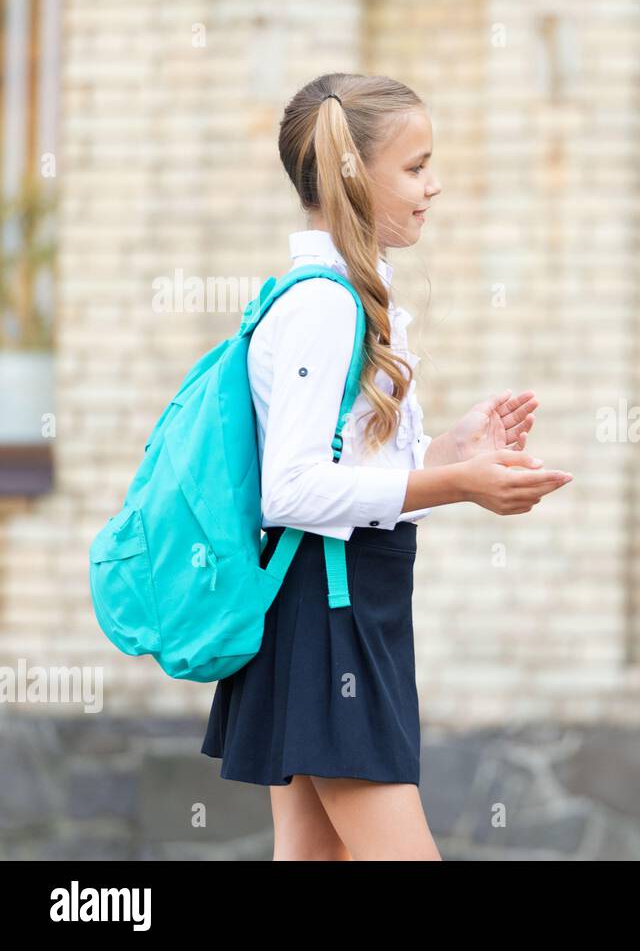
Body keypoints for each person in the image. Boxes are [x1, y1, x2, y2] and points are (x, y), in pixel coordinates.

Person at [201, 73, 572, 860]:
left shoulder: (344, 300)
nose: (434, 185)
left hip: (336, 606)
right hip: (327, 617)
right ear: (353, 176)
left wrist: (451, 454)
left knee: (311, 855)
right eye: (416, 166)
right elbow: (294, 487)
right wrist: (458, 485)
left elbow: (352, 474)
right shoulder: (325, 306)